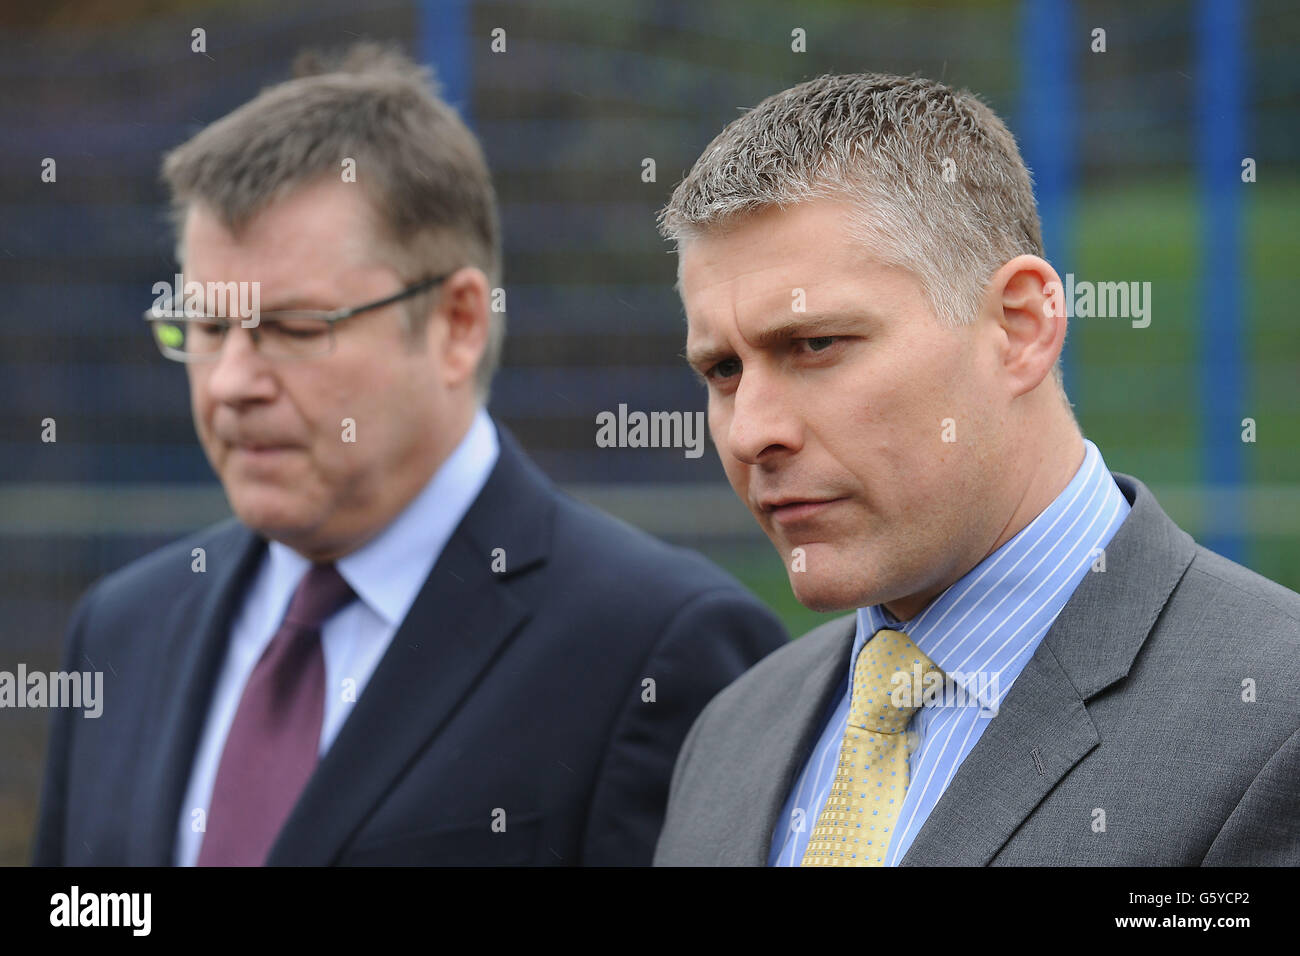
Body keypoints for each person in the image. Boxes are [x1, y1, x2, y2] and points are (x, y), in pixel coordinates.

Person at [31, 44, 788, 867]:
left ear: (457, 322)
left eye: (292, 328)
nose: (232, 383)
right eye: (208, 327)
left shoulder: (656, 649)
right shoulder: (122, 628)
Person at [652, 72, 1300, 866]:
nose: (752, 430)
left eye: (814, 345)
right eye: (721, 370)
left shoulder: (1274, 720)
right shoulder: (730, 736)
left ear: (1021, 327)